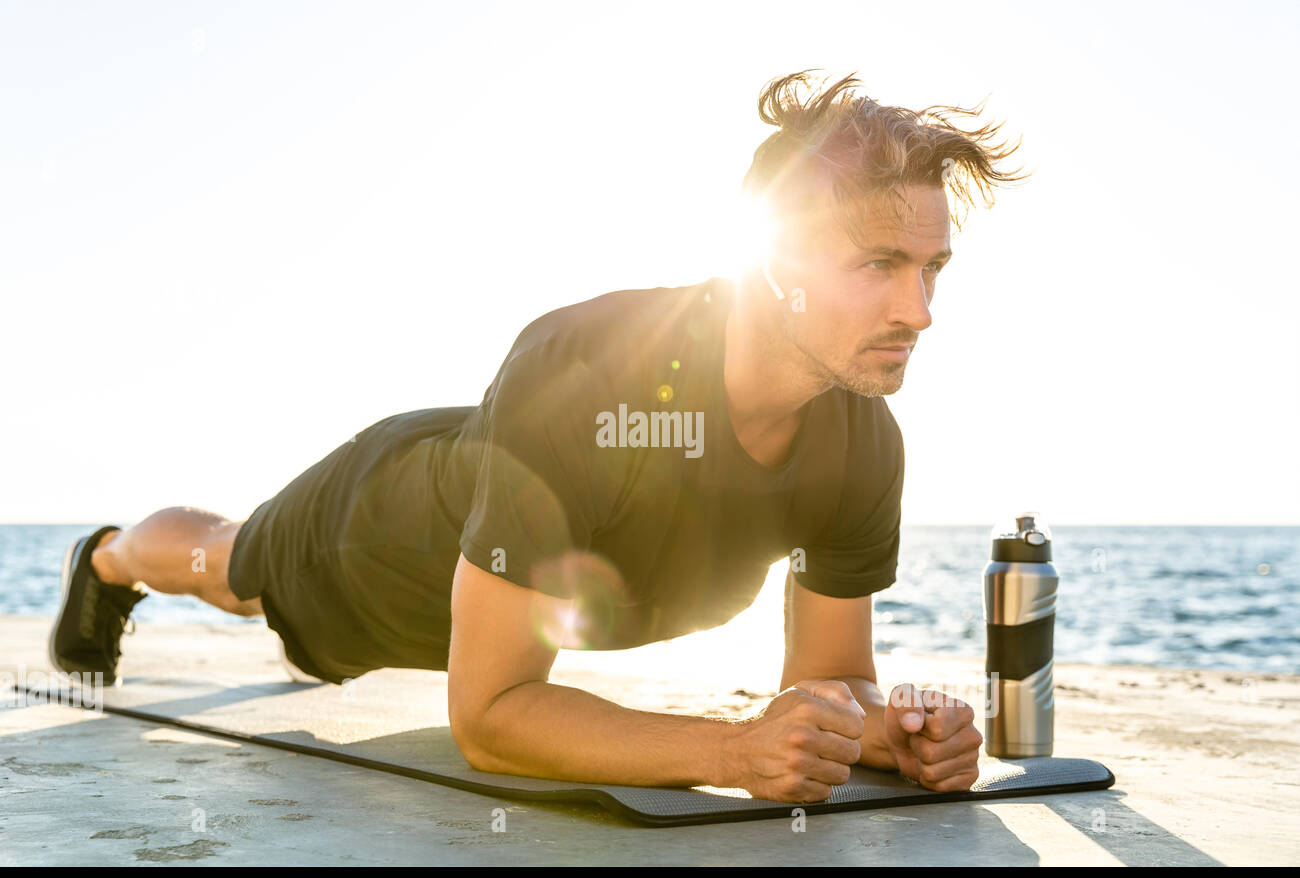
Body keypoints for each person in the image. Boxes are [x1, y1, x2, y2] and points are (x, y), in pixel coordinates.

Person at [49, 70, 1027, 803]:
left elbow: (829, 682)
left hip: (493, 481)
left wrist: (883, 735)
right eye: (879, 263)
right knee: (229, 568)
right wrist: (733, 752)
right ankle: (109, 558)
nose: (920, 309)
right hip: (374, 537)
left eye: (933, 268)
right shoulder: (593, 372)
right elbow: (488, 719)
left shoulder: (862, 444)